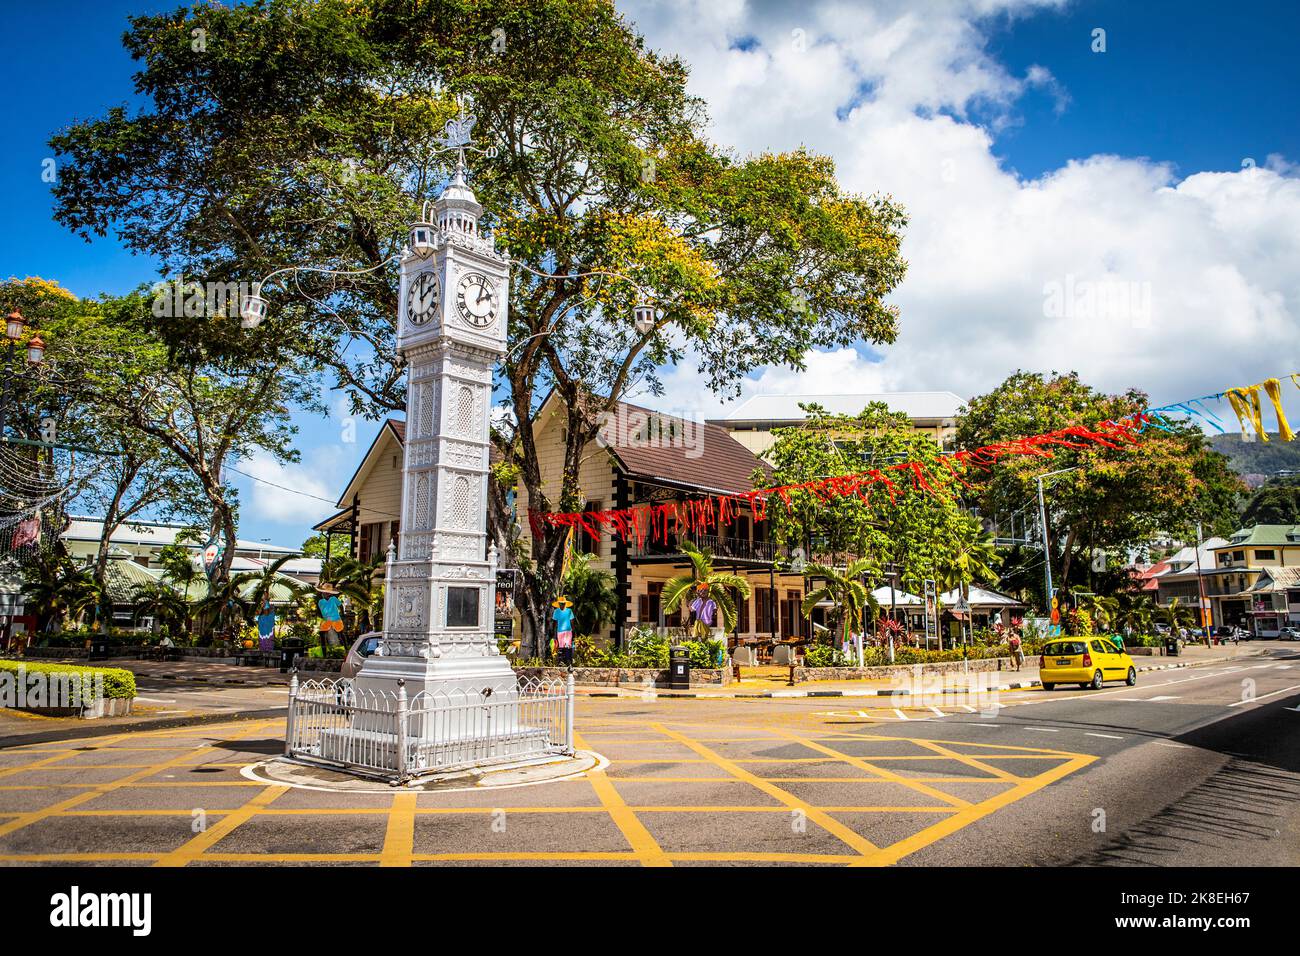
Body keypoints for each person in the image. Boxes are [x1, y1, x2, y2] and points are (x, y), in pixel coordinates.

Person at [551, 595, 575, 667]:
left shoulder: (569, 611)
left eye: (563, 603)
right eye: (560, 603)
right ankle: (561, 662)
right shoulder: (556, 611)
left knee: (568, 646)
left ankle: (569, 662)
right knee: (561, 647)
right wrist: (554, 635)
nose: (562, 604)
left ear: (565, 603)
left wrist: (573, 632)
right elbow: (555, 624)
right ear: (558, 604)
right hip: (560, 632)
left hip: (568, 631)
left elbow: (572, 622)